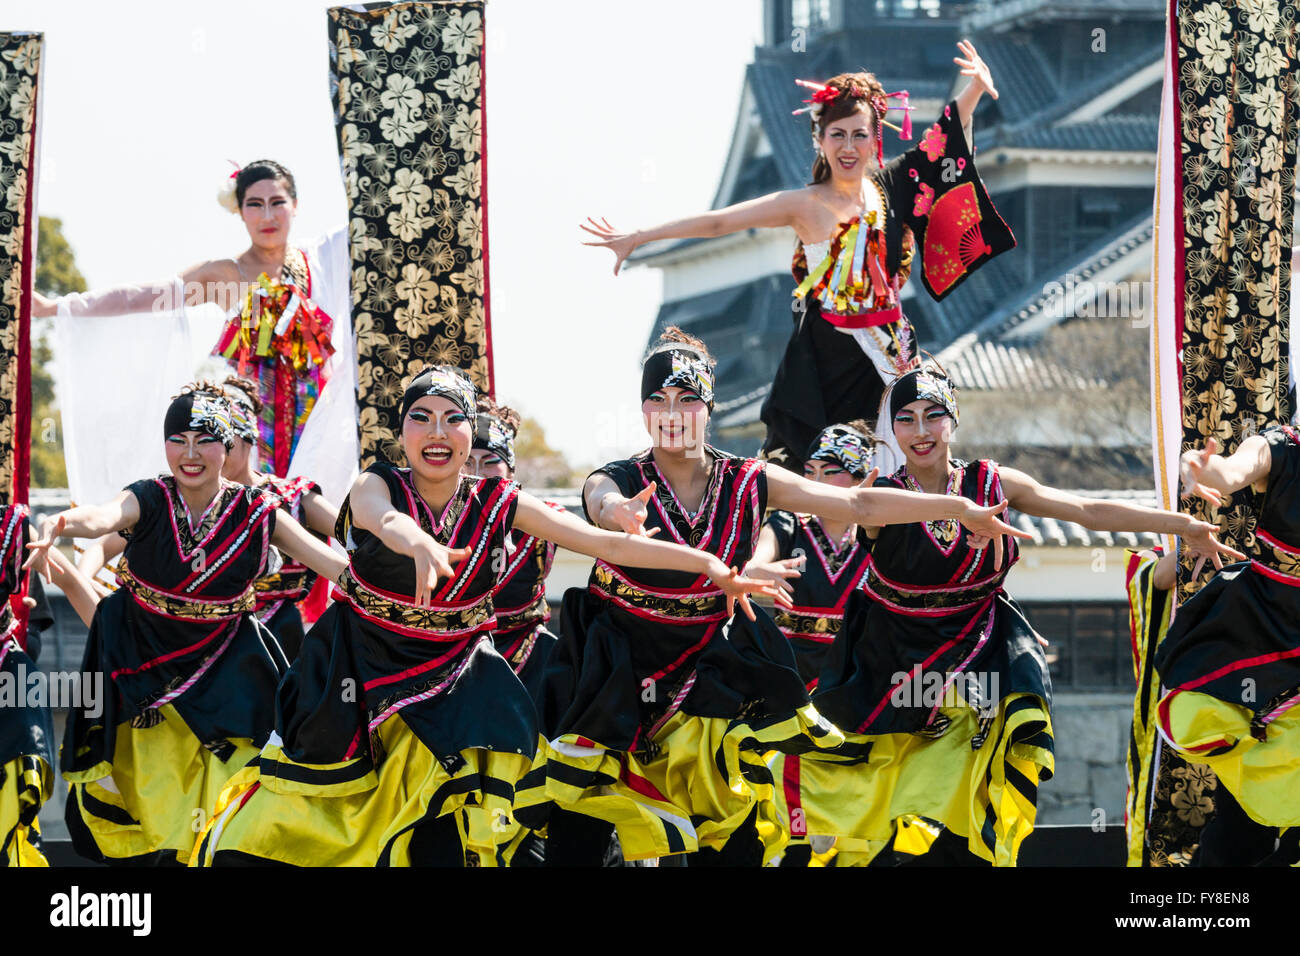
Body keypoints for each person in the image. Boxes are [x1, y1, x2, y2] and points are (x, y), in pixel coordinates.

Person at [190, 365, 782, 867]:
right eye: (421, 416)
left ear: (471, 434)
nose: (437, 431)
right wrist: (416, 542)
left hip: (451, 680)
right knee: (298, 820)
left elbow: (610, 547)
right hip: (359, 676)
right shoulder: (381, 482)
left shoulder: (500, 501)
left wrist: (710, 564)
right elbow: (379, 518)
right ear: (401, 430)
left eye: (453, 418)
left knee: (439, 836)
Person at [514, 329, 1034, 867]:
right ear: (644, 411)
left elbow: (857, 501)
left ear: (709, 406)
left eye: (688, 399)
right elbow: (600, 499)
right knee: (583, 826)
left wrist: (954, 508)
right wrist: (617, 513)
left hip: (707, 668)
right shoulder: (621, 477)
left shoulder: (748, 480)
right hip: (615, 669)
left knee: (737, 831)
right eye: (658, 400)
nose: (674, 412)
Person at [767, 365, 1243, 866]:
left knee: (965, 813)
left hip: (978, 657)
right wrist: (956, 508)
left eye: (934, 416)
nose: (921, 431)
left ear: (953, 419)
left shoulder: (993, 482)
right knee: (875, 809)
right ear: (892, 429)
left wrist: (1182, 524)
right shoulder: (884, 494)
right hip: (891, 665)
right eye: (905, 419)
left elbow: (1086, 509)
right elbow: (862, 504)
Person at [582, 41, 1015, 472]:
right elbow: (719, 223)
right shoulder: (803, 203)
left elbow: (940, 140)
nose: (849, 146)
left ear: (874, 140)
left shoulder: (892, 185)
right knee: (817, 466)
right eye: (838, 134)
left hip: (892, 352)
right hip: (828, 354)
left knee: (901, 463)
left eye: (859, 135)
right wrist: (640, 237)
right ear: (820, 139)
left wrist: (975, 87)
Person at [26, 383, 348, 865]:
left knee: (235, 803)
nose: (191, 453)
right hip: (145, 670)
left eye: (205, 440)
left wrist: (404, 573)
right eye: (178, 439)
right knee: (158, 808)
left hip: (228, 672)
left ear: (231, 444)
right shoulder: (150, 498)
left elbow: (334, 565)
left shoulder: (259, 510)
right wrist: (63, 526)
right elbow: (103, 518)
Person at [37, 159, 356, 505]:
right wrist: (59, 307)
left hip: (322, 426)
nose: (267, 215)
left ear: (295, 206)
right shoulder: (225, 275)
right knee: (260, 518)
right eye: (255, 204)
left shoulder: (325, 258)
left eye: (277, 202)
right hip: (253, 432)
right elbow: (145, 296)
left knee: (326, 518)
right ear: (239, 211)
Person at [1154, 431, 1300, 865]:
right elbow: (1234, 470)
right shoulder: (1284, 450)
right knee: (1243, 823)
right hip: (1260, 634)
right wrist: (1202, 469)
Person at [746, 421, 877, 693]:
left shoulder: (874, 534)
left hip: (854, 675)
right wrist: (756, 568)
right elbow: (759, 557)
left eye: (829, 472)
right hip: (789, 672)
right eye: (809, 472)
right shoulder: (790, 523)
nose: (815, 483)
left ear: (858, 478)